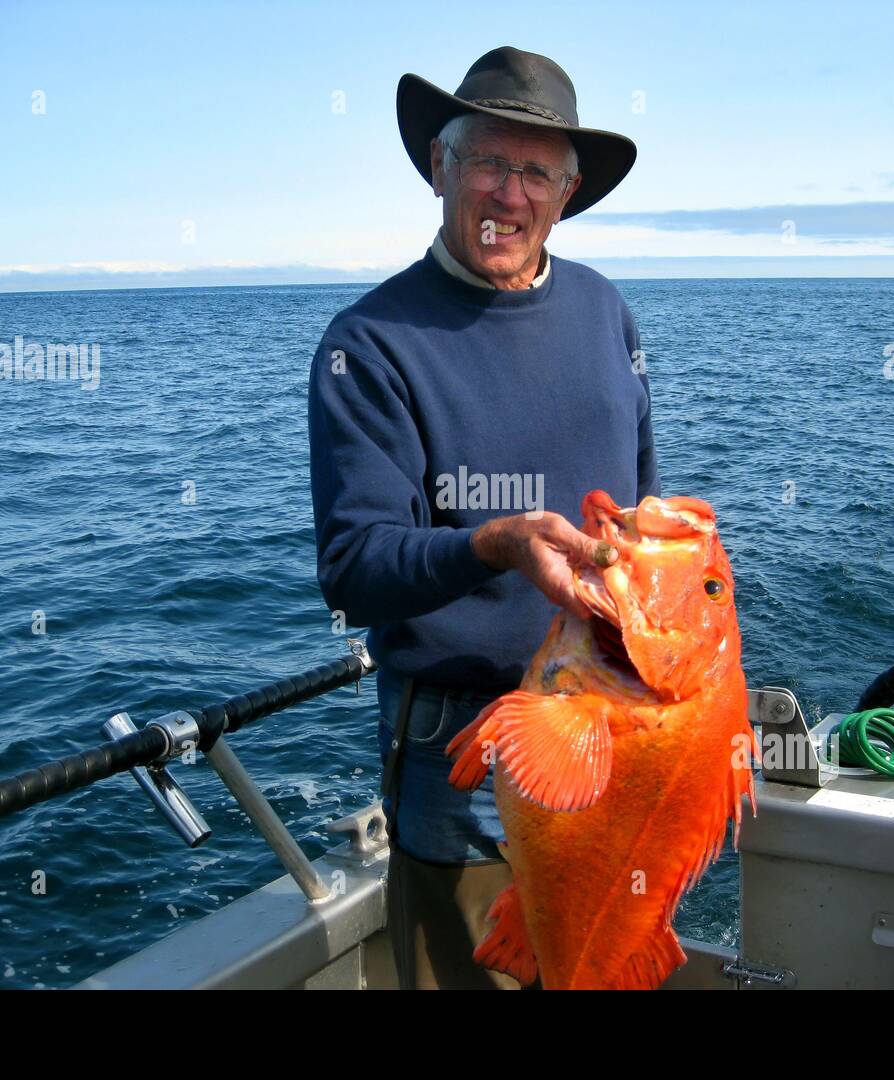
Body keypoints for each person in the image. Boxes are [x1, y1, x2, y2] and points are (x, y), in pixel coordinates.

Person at [308, 45, 658, 989]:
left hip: (617, 733)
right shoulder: (368, 344)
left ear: (569, 189)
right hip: (465, 753)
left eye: (535, 171)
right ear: (439, 169)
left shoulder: (605, 310)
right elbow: (354, 565)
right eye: (487, 164)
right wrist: (492, 544)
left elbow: (640, 509)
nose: (509, 193)